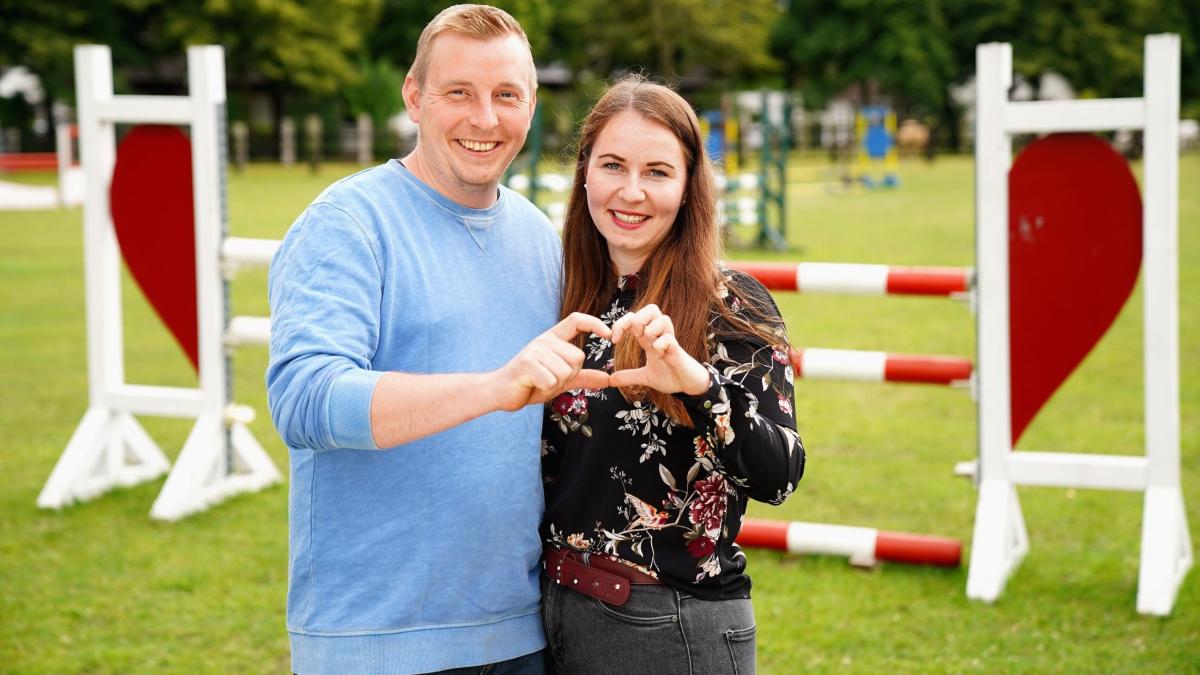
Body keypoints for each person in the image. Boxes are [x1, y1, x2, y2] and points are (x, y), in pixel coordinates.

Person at [266, 5, 608, 674]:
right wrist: (493, 388)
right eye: (459, 92)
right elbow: (305, 401)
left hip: (519, 632)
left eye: (506, 95)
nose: (485, 118)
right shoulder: (347, 222)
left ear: (532, 106)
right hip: (375, 640)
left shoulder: (540, 238)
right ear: (414, 96)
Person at [539, 76, 806, 674]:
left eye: (658, 172)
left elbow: (781, 475)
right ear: (585, 173)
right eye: (613, 165)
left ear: (688, 188)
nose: (631, 191)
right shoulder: (565, 297)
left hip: (671, 626)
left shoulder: (730, 302)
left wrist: (699, 386)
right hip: (549, 615)